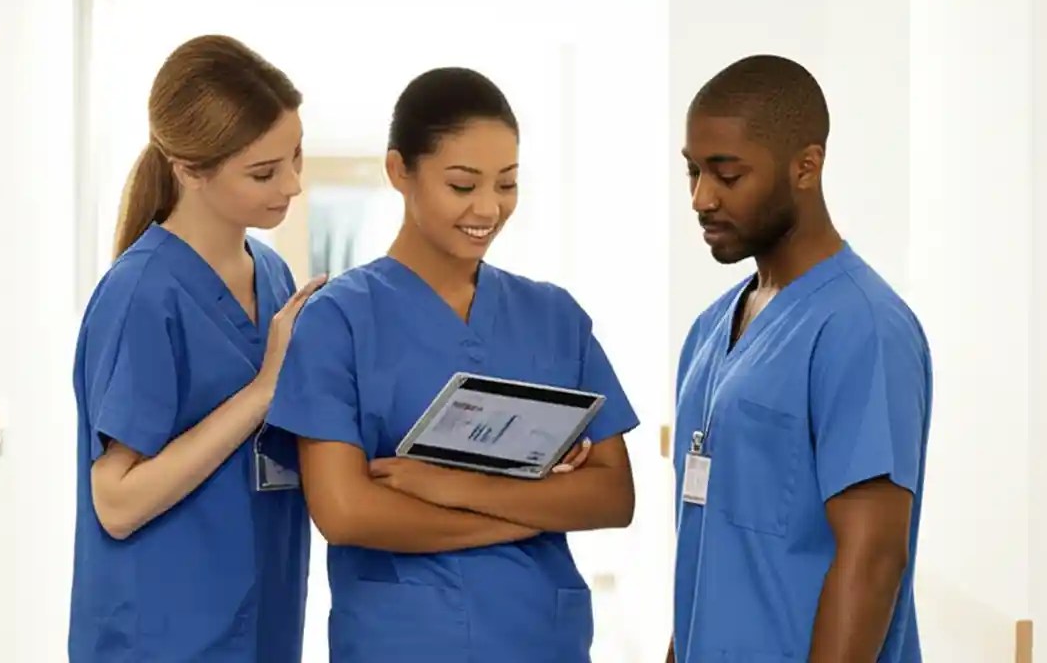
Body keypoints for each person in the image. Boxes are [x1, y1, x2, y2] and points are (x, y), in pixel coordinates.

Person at [260, 67, 638, 662]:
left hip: (540, 639)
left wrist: (450, 486)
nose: (488, 207)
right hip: (403, 642)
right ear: (398, 171)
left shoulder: (554, 317)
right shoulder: (338, 319)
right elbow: (346, 511)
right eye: (462, 185)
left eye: (507, 183)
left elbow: (612, 495)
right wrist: (531, 511)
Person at [67, 34, 325, 663]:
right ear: (189, 170)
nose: (292, 184)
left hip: (260, 619)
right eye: (264, 172)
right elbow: (117, 502)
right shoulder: (142, 294)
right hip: (162, 635)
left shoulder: (272, 276)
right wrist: (262, 391)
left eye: (295, 156)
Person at [667, 54, 933, 662]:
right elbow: (709, 552)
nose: (702, 198)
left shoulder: (861, 327)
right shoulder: (710, 330)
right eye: (693, 172)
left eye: (727, 175)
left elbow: (873, 558)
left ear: (806, 167)